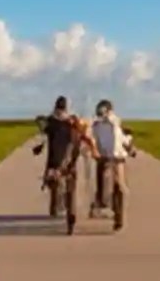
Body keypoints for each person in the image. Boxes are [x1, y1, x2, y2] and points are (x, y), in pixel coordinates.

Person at [32, 96, 99, 219]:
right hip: (66, 158)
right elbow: (84, 136)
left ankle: (61, 203)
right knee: (61, 179)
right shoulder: (69, 121)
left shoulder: (56, 121)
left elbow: (42, 132)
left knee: (59, 178)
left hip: (60, 158)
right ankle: (61, 203)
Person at [89, 99, 133, 228]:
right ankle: (100, 201)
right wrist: (95, 151)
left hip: (117, 158)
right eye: (100, 111)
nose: (101, 113)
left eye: (103, 110)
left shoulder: (115, 123)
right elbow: (94, 140)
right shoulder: (96, 126)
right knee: (102, 185)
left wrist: (129, 145)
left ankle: (118, 216)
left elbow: (121, 139)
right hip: (103, 158)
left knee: (119, 186)